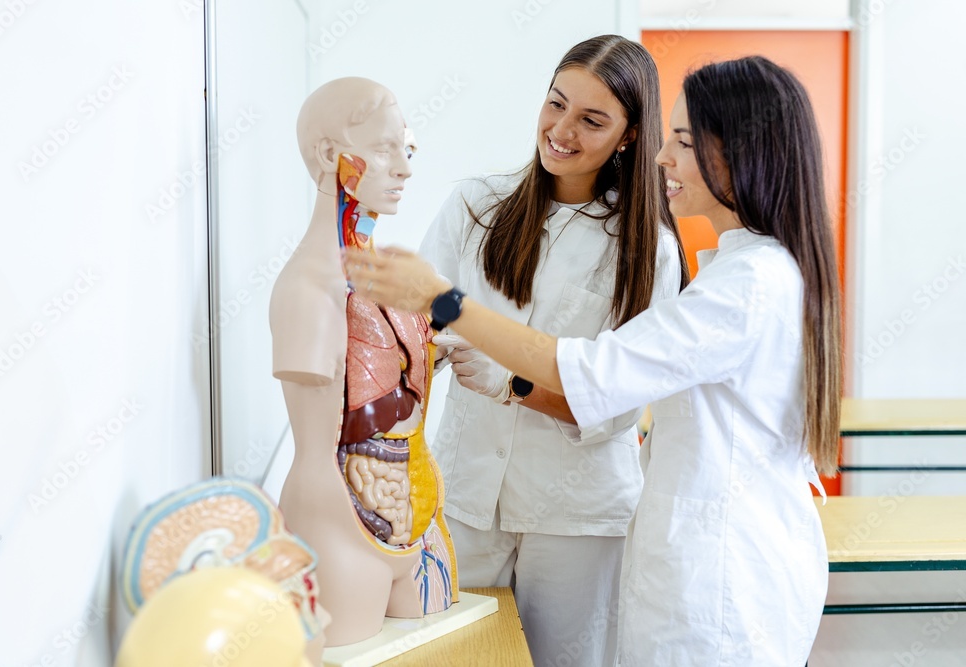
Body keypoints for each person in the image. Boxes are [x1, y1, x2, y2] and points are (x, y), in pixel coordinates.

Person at [345, 55, 842, 666]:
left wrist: (451, 309)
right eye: (556, 103)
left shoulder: (741, 283)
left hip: (709, 575)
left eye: (683, 142)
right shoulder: (745, 271)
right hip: (659, 553)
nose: (663, 156)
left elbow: (598, 378)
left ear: (742, 156)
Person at [415, 35, 687, 666]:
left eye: (592, 120)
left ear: (628, 135)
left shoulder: (647, 249)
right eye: (556, 103)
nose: (561, 131)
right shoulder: (475, 206)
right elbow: (419, 317)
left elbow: (616, 407)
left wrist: (509, 382)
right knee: (454, 657)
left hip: (576, 517)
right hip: (465, 496)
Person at [269, 77, 457, 648]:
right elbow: (316, 443)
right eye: (383, 149)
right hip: (343, 526)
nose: (404, 168)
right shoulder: (309, 287)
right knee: (349, 651)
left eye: (407, 149)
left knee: (438, 650)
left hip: (416, 512)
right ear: (331, 154)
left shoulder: (382, 271)